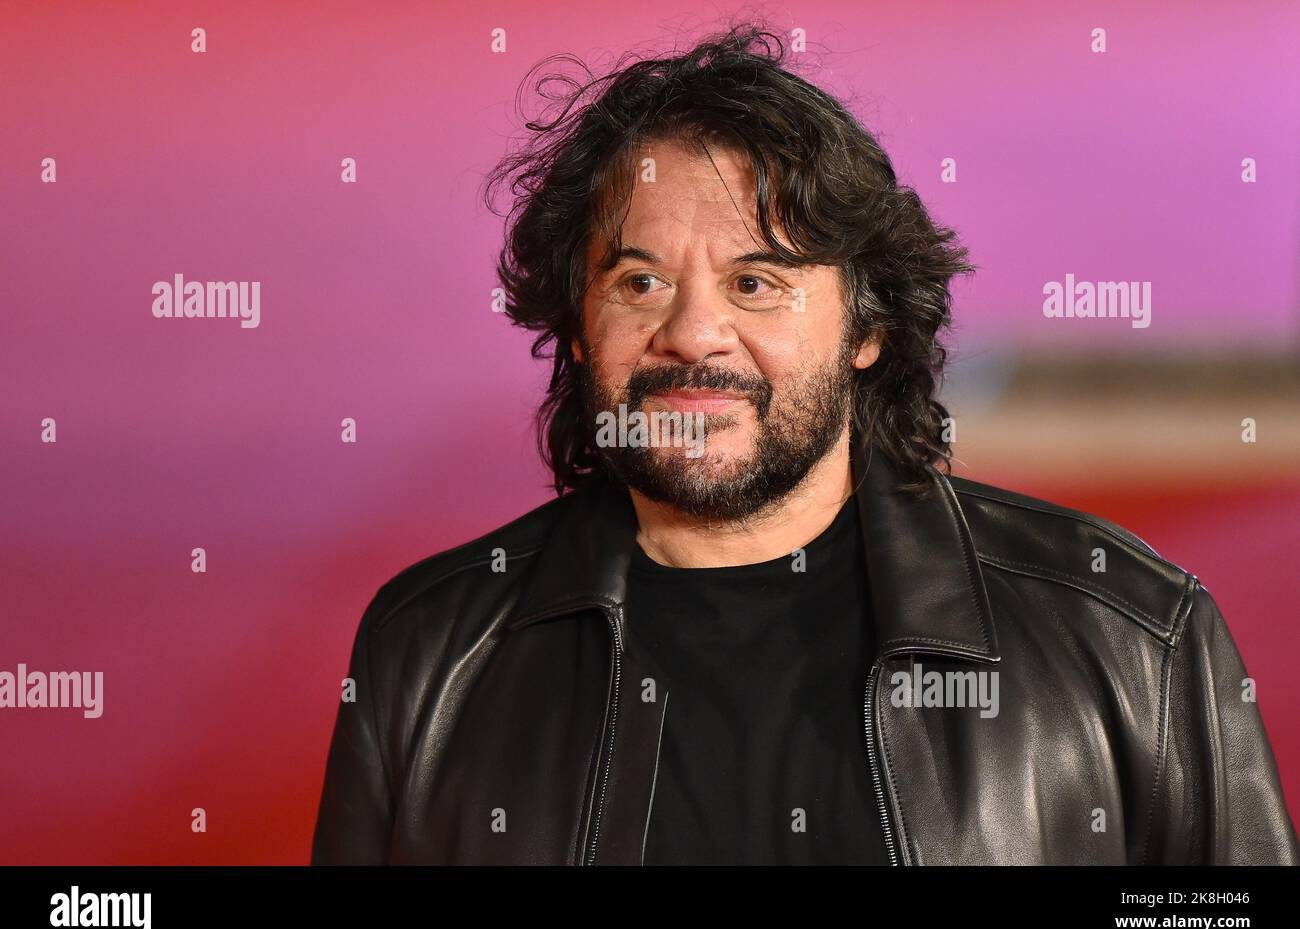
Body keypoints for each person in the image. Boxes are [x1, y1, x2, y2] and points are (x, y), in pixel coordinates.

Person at [311, 25, 1298, 865]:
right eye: (640, 282)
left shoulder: (1130, 634)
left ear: (867, 328)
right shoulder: (430, 653)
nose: (692, 333)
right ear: (577, 326)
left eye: (755, 281)